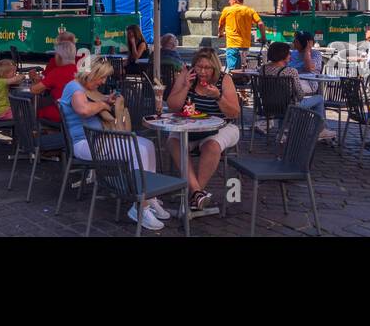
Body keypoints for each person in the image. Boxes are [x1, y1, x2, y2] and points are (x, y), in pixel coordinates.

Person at [60, 57, 168, 230]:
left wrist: (105, 100)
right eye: (101, 78)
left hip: (98, 141)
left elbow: (92, 100)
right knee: (137, 151)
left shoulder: (83, 88)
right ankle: (140, 207)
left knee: (147, 145)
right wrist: (103, 104)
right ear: (90, 74)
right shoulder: (74, 87)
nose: (103, 82)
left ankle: (149, 197)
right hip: (85, 144)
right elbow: (84, 109)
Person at [164, 47, 241, 212]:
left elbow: (234, 112)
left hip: (222, 126)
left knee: (211, 146)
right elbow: (172, 106)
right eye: (199, 67)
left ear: (215, 67)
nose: (203, 72)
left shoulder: (224, 79)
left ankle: (194, 194)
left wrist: (218, 97)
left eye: (207, 68)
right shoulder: (187, 75)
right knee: (173, 142)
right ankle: (198, 194)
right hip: (190, 127)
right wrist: (185, 86)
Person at [260, 40, 336, 142]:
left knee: (283, 100)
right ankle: (320, 130)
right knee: (319, 98)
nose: (290, 56)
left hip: (268, 106)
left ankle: (281, 133)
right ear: (283, 55)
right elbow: (299, 94)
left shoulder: (263, 69)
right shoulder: (290, 71)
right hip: (289, 108)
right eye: (288, 54)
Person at [29, 30, 79, 123]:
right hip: (76, 112)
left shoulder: (57, 72)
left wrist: (33, 83)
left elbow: (34, 89)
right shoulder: (79, 69)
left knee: (31, 110)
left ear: (59, 56)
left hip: (61, 112)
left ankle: (34, 134)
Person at [217, 0, 266, 70]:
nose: (229, 2)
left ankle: (233, 81)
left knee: (233, 70)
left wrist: (220, 33)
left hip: (232, 44)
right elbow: (260, 24)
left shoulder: (227, 10)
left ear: (235, 0)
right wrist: (263, 37)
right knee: (243, 68)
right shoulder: (250, 10)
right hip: (245, 45)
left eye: (230, 0)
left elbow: (221, 25)